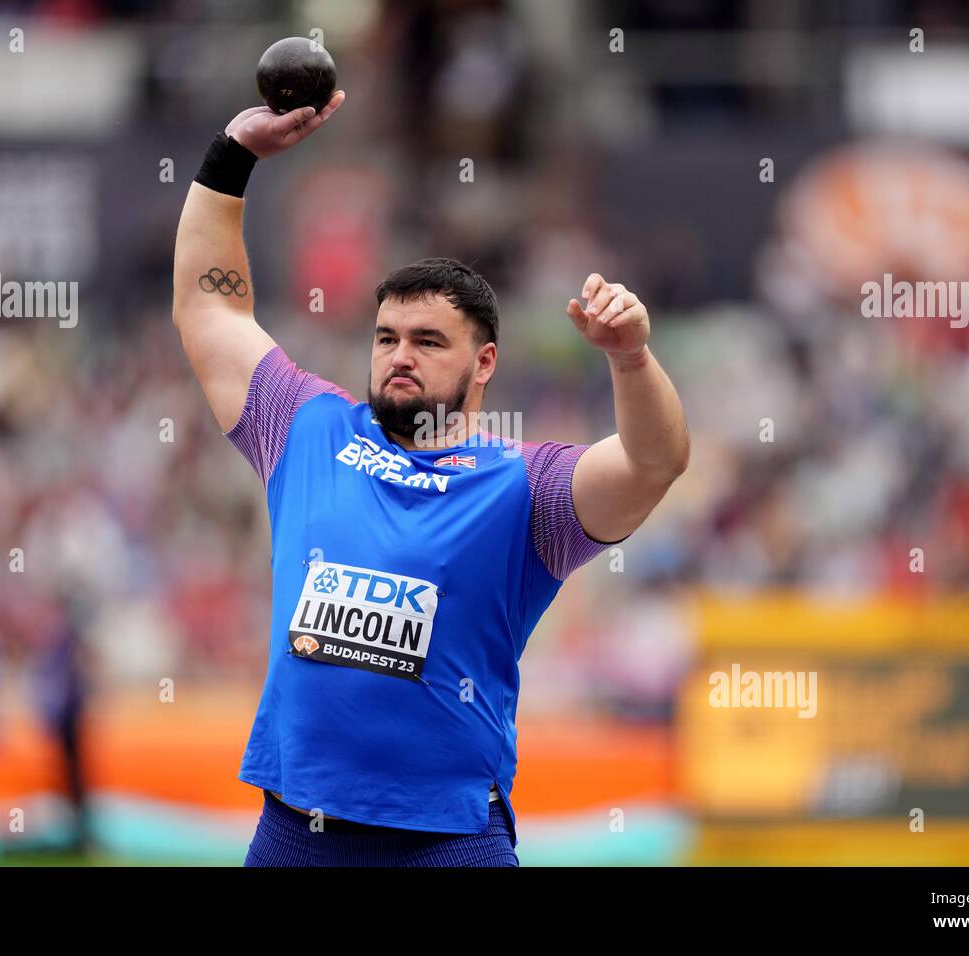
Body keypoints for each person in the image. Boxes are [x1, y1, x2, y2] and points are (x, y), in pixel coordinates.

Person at [171, 91, 690, 866]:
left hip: (447, 842)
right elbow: (209, 310)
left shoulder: (525, 488)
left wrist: (631, 358)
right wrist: (231, 156)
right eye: (385, 336)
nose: (399, 355)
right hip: (295, 833)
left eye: (426, 340)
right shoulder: (308, 426)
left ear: (484, 363)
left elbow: (655, 461)